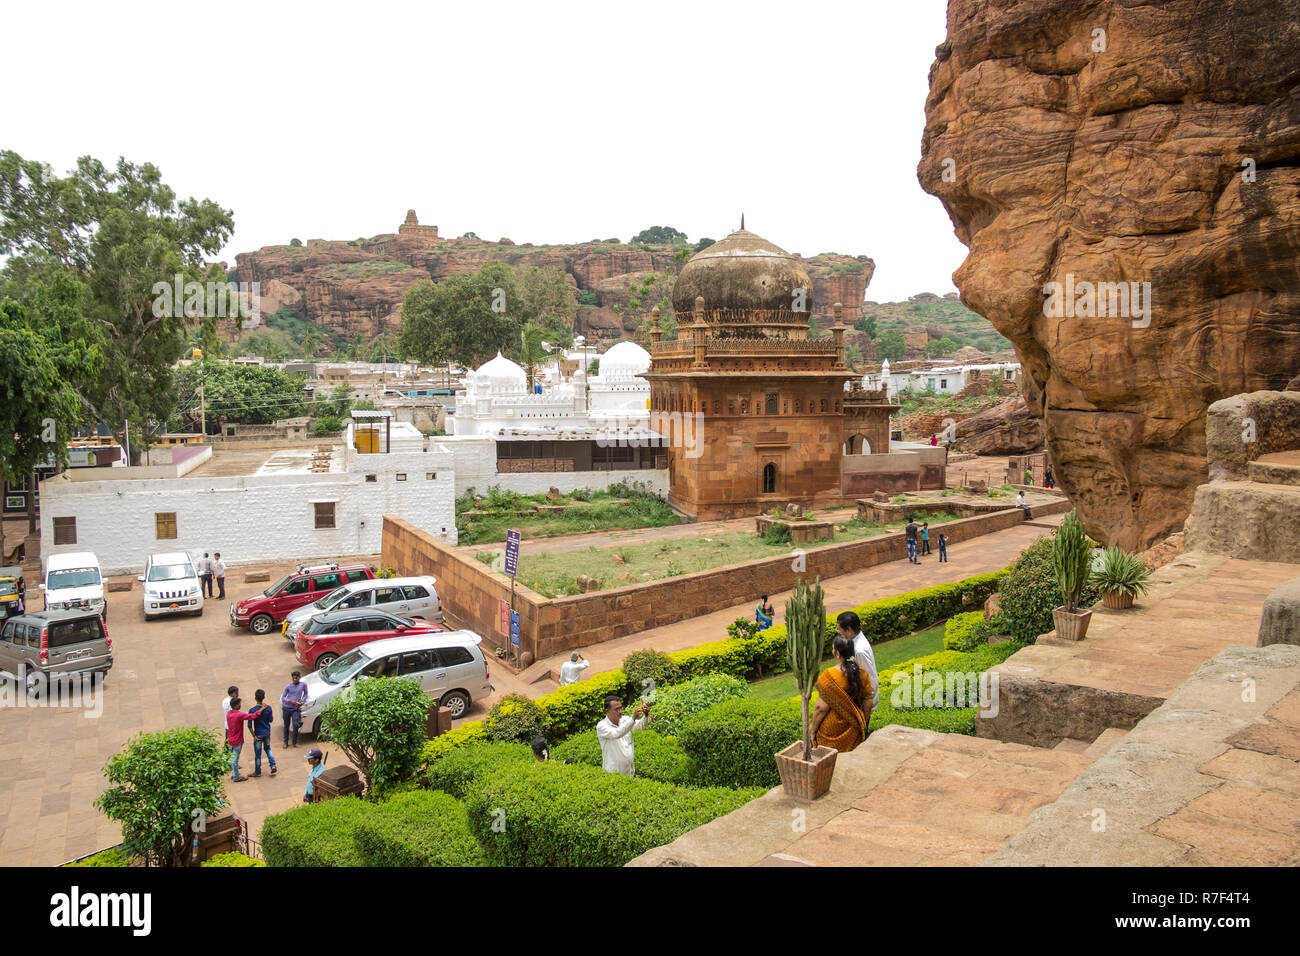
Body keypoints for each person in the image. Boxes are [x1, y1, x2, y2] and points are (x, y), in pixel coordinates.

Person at [809, 634, 869, 753]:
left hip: (831, 733)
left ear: (837, 653)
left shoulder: (829, 675)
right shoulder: (862, 673)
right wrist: (862, 725)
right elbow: (869, 702)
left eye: (833, 648)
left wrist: (812, 730)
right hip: (854, 731)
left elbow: (821, 708)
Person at [836, 610, 878, 716]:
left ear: (849, 630)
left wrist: (866, 704)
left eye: (839, 628)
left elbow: (868, 677)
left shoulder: (859, 650)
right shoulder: (855, 642)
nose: (838, 631)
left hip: (864, 703)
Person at [596, 695, 648, 775]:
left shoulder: (625, 719)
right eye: (616, 709)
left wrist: (646, 715)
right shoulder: (601, 726)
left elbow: (640, 726)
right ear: (607, 711)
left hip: (630, 772)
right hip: (613, 774)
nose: (620, 712)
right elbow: (616, 733)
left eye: (620, 708)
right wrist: (633, 718)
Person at [225, 697, 258, 782]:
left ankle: (234, 773)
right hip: (237, 740)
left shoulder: (228, 714)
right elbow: (252, 716)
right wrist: (261, 709)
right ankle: (236, 776)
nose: (240, 705)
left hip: (230, 739)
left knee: (232, 758)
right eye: (239, 704)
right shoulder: (239, 715)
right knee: (235, 758)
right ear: (236, 705)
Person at [247, 689, 277, 777]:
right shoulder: (268, 708)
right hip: (267, 732)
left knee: (258, 754)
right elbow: (271, 720)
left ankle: (257, 771)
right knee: (268, 749)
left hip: (258, 734)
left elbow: (249, 725)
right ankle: (273, 765)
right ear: (264, 697)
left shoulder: (252, 710)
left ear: (255, 698)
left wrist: (254, 736)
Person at [281, 672, 308, 748]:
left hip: (295, 709)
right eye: (293, 678)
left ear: (299, 677)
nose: (295, 679)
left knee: (295, 725)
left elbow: (306, 693)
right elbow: (283, 698)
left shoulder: (303, 685)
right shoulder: (288, 687)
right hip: (286, 708)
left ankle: (294, 742)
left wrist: (302, 701)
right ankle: (285, 742)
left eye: (296, 678)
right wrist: (289, 701)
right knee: (286, 725)